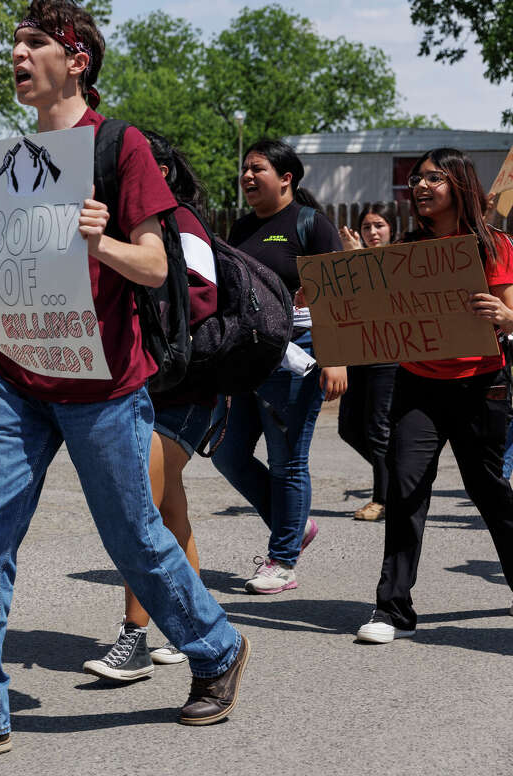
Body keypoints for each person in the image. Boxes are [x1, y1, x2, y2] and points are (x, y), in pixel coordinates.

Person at [0, 0, 248, 767]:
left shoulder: (121, 147)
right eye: (14, 42)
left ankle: (215, 646)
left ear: (76, 58)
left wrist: (103, 240)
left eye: (34, 42)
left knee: (135, 540)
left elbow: (155, 263)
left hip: (105, 386)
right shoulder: (5, 160)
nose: (17, 54)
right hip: (19, 378)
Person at [357, 148, 513, 643]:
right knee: (405, 491)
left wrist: (505, 317)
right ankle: (392, 609)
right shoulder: (407, 249)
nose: (420, 187)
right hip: (417, 386)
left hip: (480, 386)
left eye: (432, 178)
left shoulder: (494, 246)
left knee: (490, 494)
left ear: (460, 186)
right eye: (416, 179)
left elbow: (512, 316)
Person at [81, 131, 219, 680]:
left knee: (136, 510)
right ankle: (198, 629)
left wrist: (138, 299)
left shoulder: (179, 224)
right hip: (140, 387)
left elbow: (202, 296)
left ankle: (135, 638)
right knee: (170, 515)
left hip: (181, 390)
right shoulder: (112, 228)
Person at [211, 139, 347, 595]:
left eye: (258, 169)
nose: (247, 177)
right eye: (245, 170)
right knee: (228, 454)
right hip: (248, 356)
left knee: (287, 460)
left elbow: (337, 297)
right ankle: (294, 525)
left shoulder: (312, 225)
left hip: (298, 356)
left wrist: (336, 357)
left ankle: (282, 560)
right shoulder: (242, 227)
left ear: (286, 177)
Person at [336, 204, 398, 522]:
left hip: (389, 357)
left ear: (391, 228)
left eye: (379, 225)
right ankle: (397, 476)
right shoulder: (350, 258)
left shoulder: (400, 257)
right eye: (367, 226)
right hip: (358, 353)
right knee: (348, 427)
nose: (373, 232)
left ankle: (383, 499)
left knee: (378, 429)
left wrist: (358, 259)